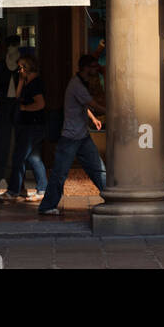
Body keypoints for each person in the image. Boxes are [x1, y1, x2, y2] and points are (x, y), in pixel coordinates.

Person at [37, 54, 106, 216]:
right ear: (86, 68)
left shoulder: (81, 83)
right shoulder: (77, 85)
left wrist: (93, 118)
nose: (96, 70)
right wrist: (113, 112)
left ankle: (111, 197)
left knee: (98, 169)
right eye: (94, 67)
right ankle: (47, 206)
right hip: (71, 137)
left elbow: (85, 105)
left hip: (81, 136)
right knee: (60, 173)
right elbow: (92, 103)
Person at [0, 54, 48, 202]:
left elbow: (41, 104)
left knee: (18, 158)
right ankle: (43, 189)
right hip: (31, 126)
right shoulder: (28, 83)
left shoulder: (35, 85)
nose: (18, 70)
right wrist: (21, 81)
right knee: (34, 158)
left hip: (32, 127)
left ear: (27, 68)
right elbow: (18, 96)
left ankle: (13, 191)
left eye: (21, 67)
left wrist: (25, 108)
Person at [0, 34, 22, 188]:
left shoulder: (22, 64)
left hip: (18, 105)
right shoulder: (1, 65)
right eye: (8, 46)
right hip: (3, 103)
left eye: (12, 45)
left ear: (17, 46)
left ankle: (17, 178)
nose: (10, 48)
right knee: (3, 140)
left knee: (20, 141)